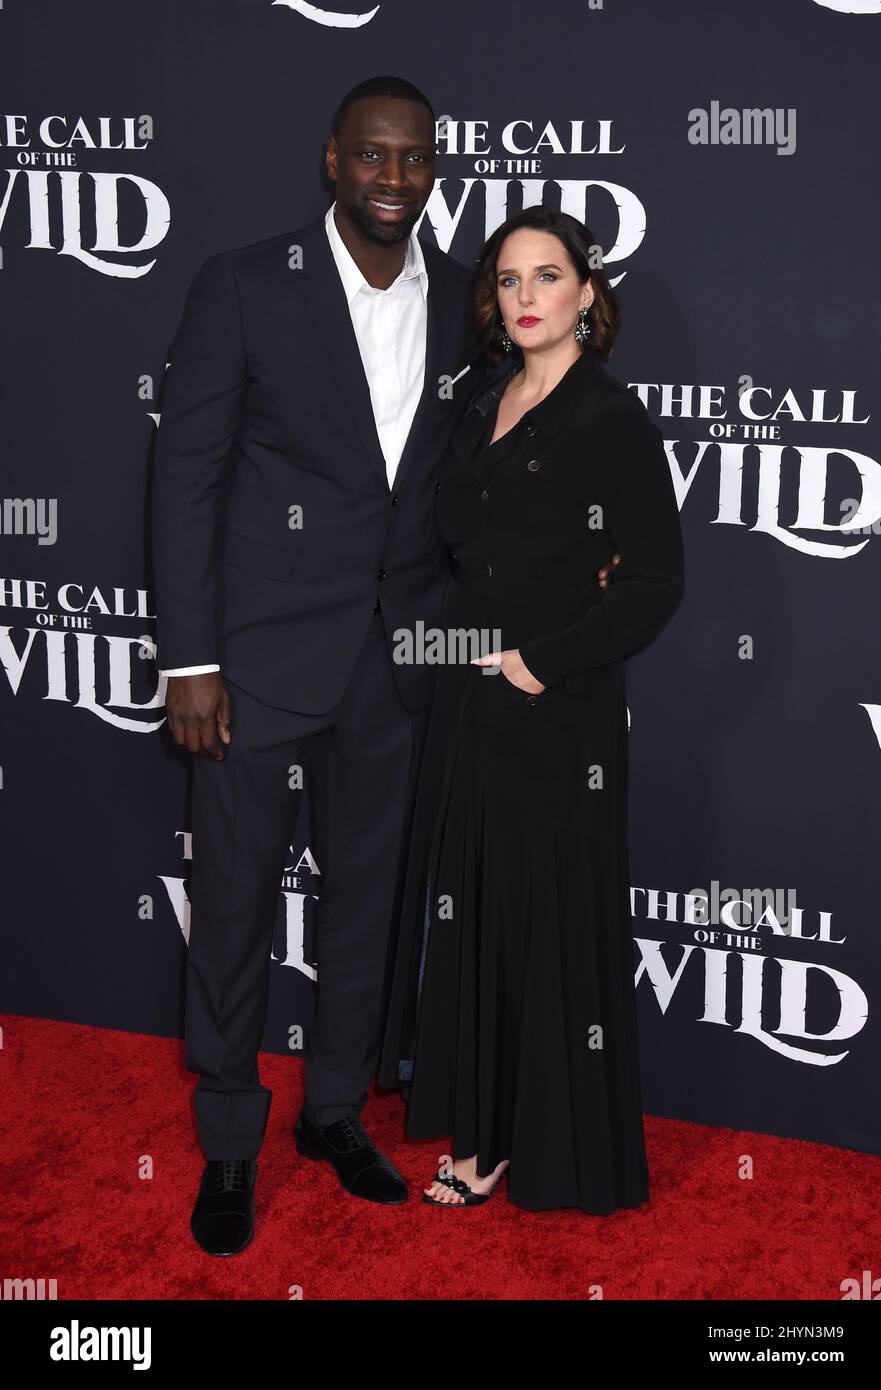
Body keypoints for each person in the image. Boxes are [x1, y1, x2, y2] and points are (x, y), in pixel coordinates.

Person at [152, 75, 496, 1256]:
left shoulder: (465, 300)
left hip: (396, 662)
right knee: (236, 903)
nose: (395, 179)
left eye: (415, 159)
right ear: (332, 162)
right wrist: (189, 659)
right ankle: (233, 1143)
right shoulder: (245, 285)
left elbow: (491, 462)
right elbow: (186, 478)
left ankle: (336, 1110)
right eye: (374, 157)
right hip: (251, 662)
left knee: (366, 904)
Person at [378, 204, 685, 1214]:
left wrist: (542, 663)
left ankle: (553, 1144)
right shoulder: (482, 400)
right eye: (508, 281)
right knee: (475, 917)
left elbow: (654, 582)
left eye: (546, 278)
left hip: (559, 715)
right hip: (468, 701)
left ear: (588, 293)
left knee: (544, 922)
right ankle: (487, 1127)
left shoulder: (610, 418)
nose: (525, 299)